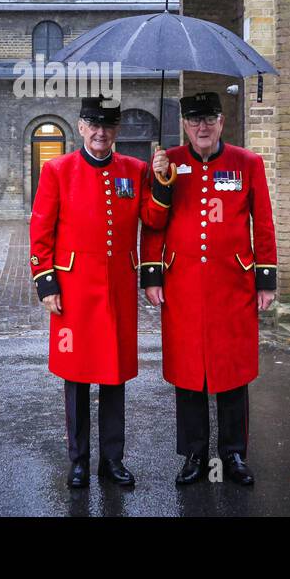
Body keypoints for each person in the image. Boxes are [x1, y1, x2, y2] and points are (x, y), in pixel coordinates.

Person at [29, 96, 171, 489]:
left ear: (117, 131)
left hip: (117, 291)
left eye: (108, 126)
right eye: (93, 124)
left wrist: (161, 180)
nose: (100, 132)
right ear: (80, 126)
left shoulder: (135, 169)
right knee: (75, 378)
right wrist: (46, 282)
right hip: (73, 290)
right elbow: (41, 229)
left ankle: (112, 459)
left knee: (114, 376)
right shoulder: (58, 170)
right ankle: (78, 460)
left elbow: (154, 217)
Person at [140, 91, 277, 486]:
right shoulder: (169, 163)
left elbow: (263, 223)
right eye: (195, 119)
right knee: (188, 372)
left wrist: (265, 280)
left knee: (232, 371)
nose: (202, 126)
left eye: (210, 119)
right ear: (184, 124)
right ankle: (194, 455)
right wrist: (152, 276)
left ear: (221, 122)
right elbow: (153, 225)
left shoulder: (247, 163)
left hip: (233, 284)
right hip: (182, 284)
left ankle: (233, 454)